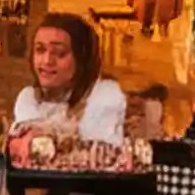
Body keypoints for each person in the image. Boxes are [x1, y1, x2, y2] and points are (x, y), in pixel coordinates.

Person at [12, 12, 126, 145]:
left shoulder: (105, 94)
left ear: (81, 59)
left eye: (60, 53)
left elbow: (94, 147)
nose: (47, 61)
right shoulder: (28, 97)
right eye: (40, 50)